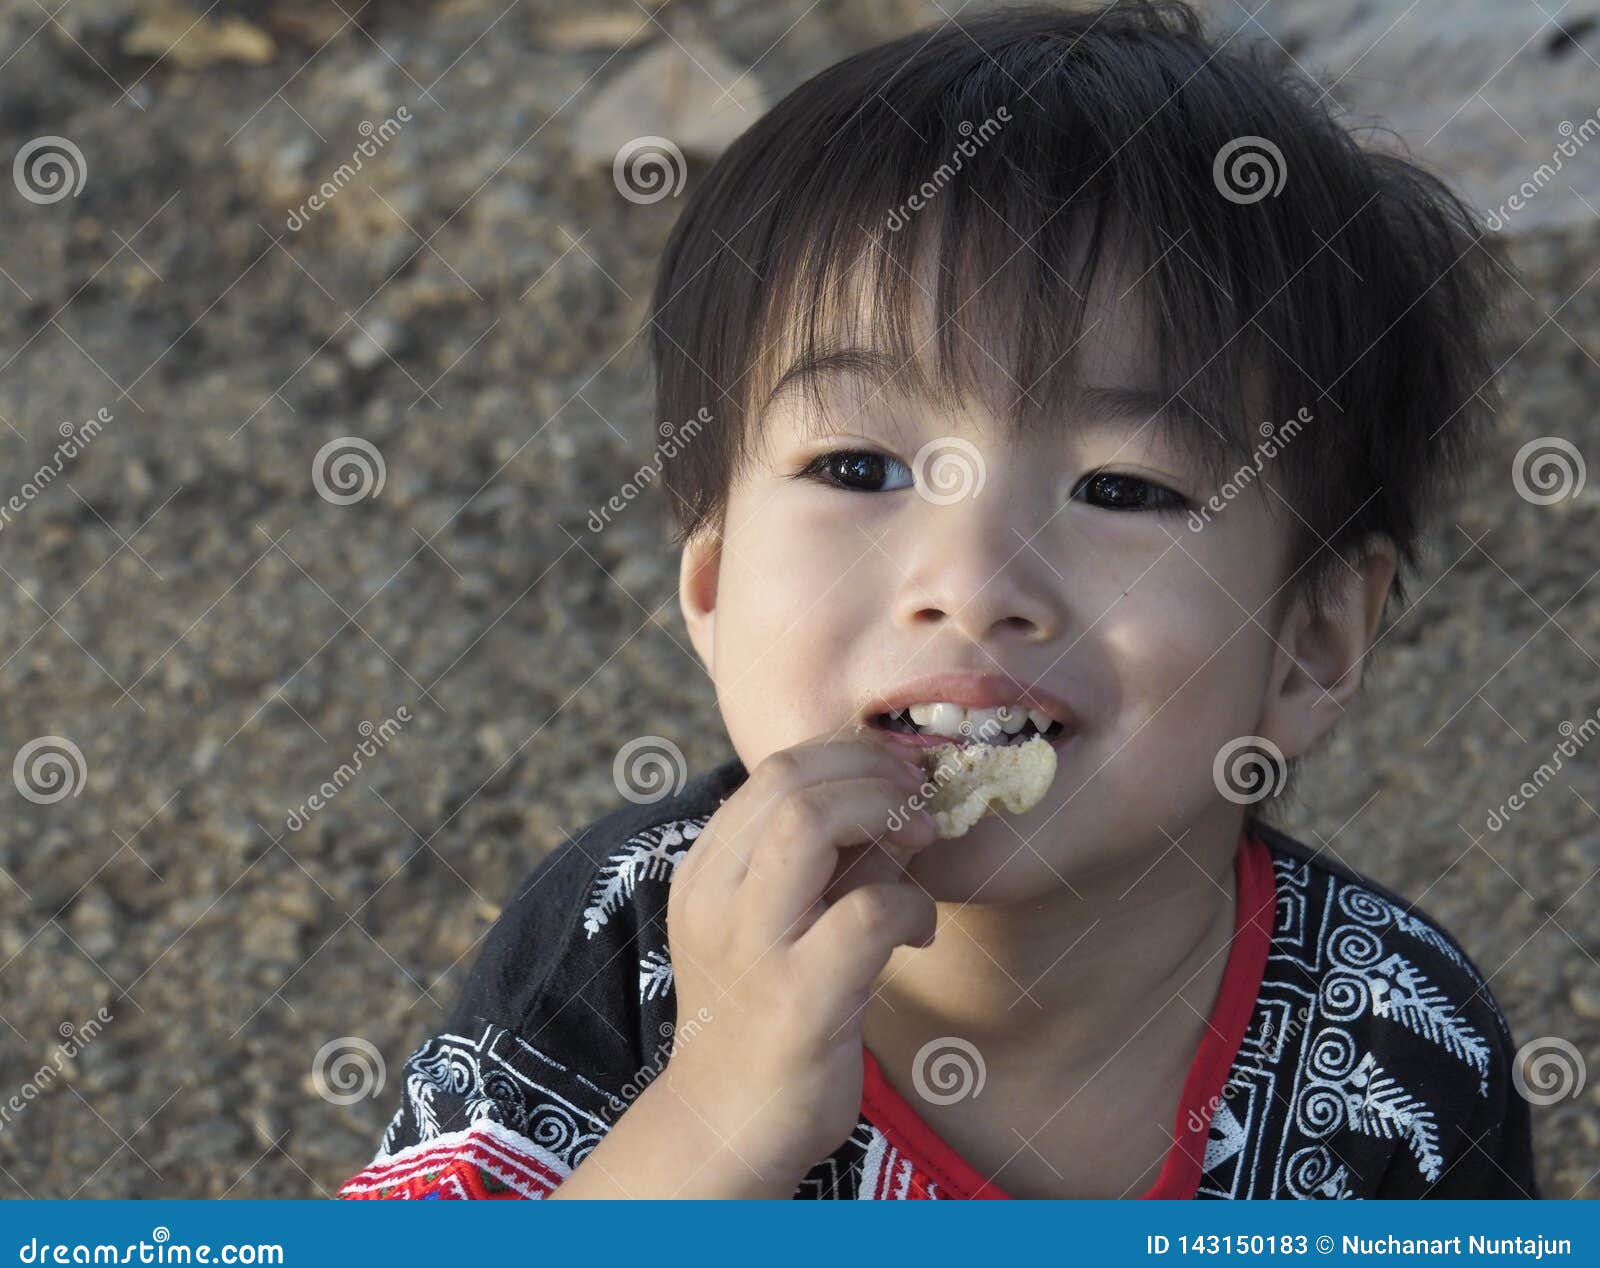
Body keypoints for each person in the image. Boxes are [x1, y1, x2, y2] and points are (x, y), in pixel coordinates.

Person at [339, 0, 1539, 1199]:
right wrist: (710, 1122)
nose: (969, 586)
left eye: (1121, 487)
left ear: (1312, 641)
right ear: (708, 584)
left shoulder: (1398, 1036)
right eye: (858, 469)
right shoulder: (615, 950)